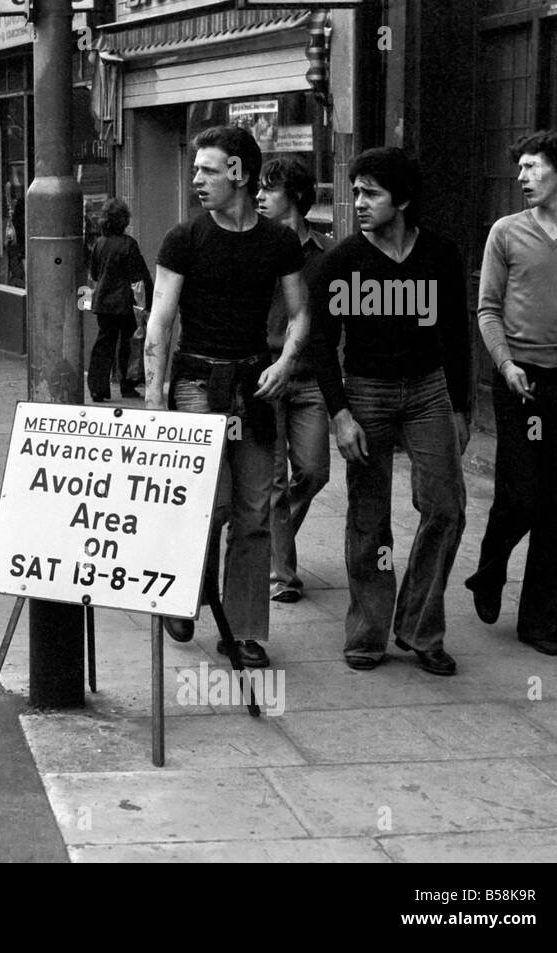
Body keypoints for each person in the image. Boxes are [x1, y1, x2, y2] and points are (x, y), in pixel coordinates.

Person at [143, 125, 310, 669]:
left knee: (254, 512)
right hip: (196, 385)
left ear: (239, 173)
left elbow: (302, 312)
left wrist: (286, 362)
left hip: (257, 387)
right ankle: (184, 596)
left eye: (208, 170)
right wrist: (152, 396)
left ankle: (244, 630)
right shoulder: (184, 238)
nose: (197, 180)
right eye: (196, 170)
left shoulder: (279, 242)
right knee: (200, 506)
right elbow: (160, 320)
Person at [308, 147, 470, 676]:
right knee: (369, 518)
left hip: (428, 392)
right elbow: (321, 344)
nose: (357, 201)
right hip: (367, 393)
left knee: (446, 507)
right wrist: (340, 413)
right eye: (355, 191)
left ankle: (420, 626)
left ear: (401, 199)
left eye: (370, 192)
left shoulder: (440, 255)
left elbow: (456, 337)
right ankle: (368, 631)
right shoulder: (341, 261)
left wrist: (462, 408)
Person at [465, 131, 557, 657]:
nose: (521, 177)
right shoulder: (506, 233)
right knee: (519, 495)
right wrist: (505, 364)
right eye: (519, 168)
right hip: (518, 379)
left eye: (532, 167)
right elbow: (487, 307)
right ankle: (490, 572)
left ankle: (544, 622)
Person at [255, 156, 334, 604]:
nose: (260, 196)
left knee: (314, 471)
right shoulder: (256, 245)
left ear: (297, 197)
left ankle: (269, 539)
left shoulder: (326, 252)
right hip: (266, 371)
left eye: (270, 189)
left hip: (310, 378)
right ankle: (282, 575)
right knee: (274, 481)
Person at [87, 197, 153, 401]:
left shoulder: (99, 243)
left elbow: (95, 274)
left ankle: (98, 388)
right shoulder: (128, 244)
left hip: (103, 302)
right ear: (123, 220)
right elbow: (139, 277)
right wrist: (148, 302)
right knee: (127, 344)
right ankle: (127, 385)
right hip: (125, 303)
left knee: (103, 344)